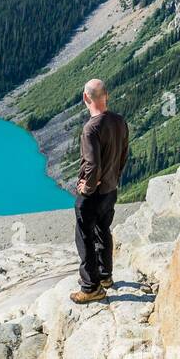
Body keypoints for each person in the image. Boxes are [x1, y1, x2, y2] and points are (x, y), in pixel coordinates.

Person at [70, 79, 129, 304]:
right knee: (103, 230)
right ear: (107, 96)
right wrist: (113, 178)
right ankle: (105, 276)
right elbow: (123, 155)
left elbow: (92, 164)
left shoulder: (91, 128)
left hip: (93, 193)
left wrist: (87, 186)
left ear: (86, 98)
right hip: (110, 189)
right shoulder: (119, 121)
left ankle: (90, 286)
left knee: (84, 235)